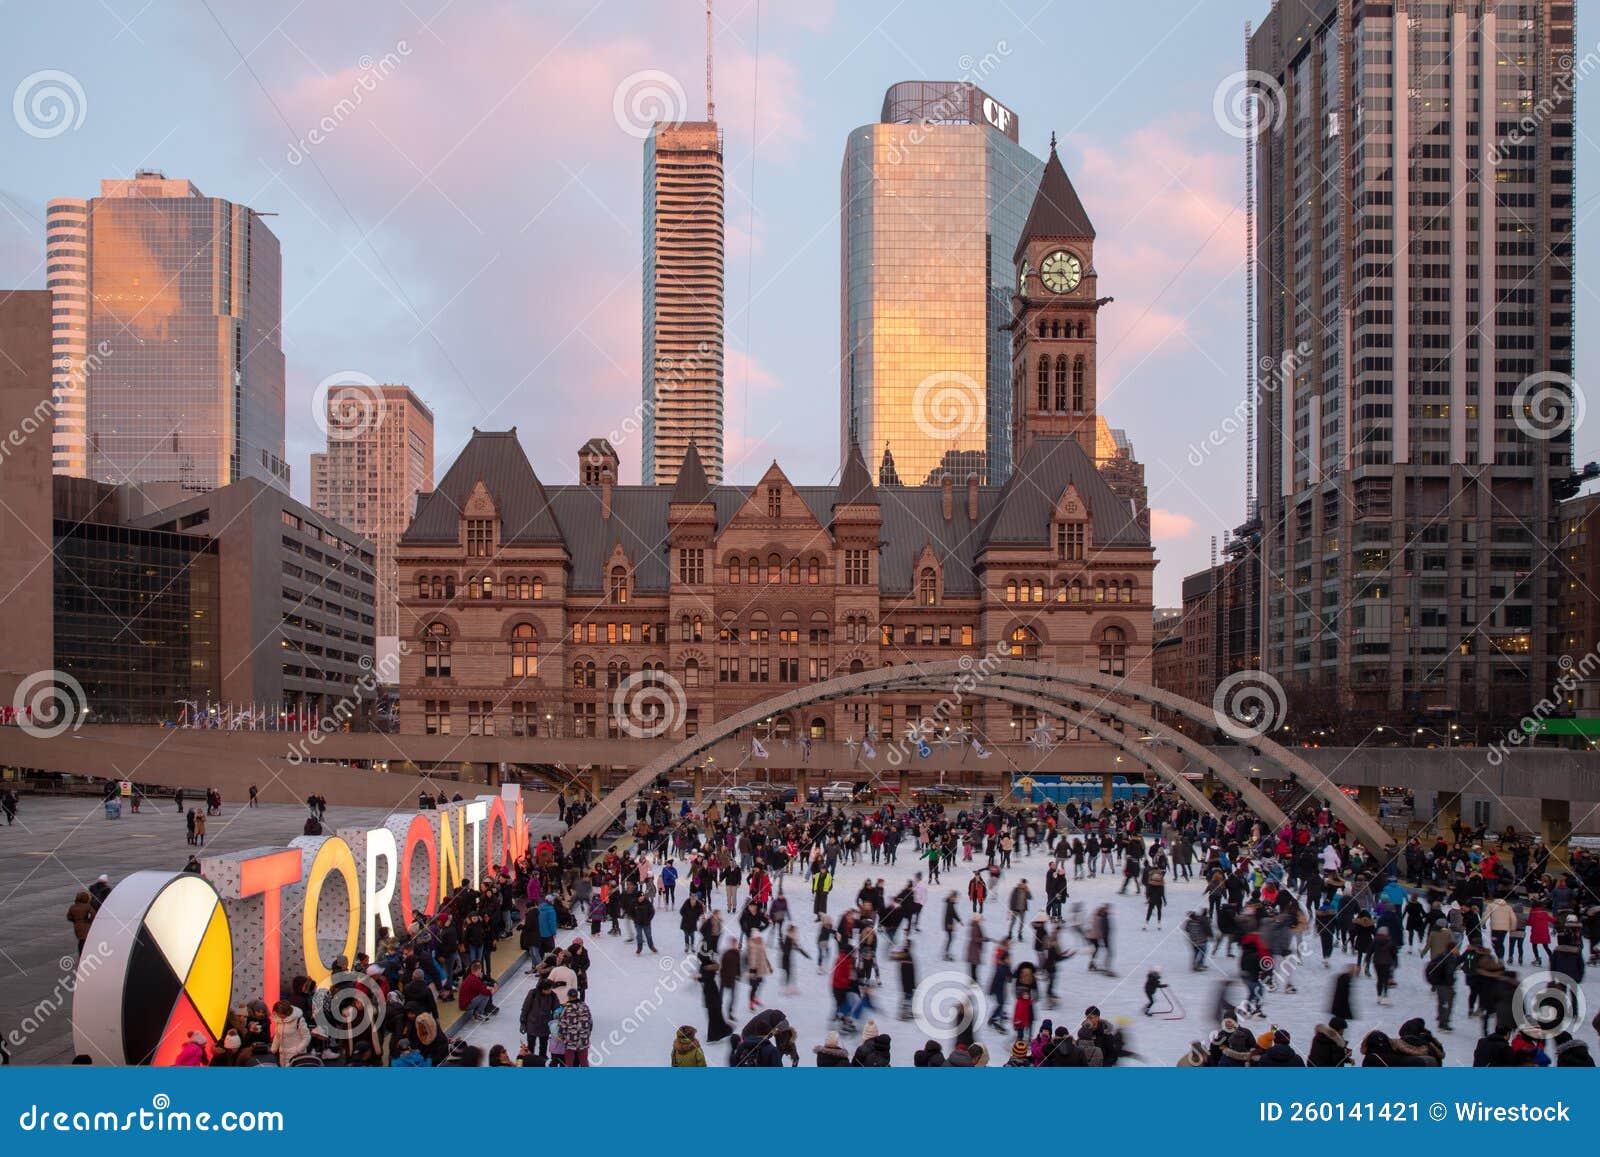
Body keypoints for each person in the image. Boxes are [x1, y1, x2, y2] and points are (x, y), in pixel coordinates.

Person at [66, 891, 94, 957]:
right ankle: (85, 955)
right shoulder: (88, 907)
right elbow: (93, 915)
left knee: (81, 940)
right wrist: (88, 920)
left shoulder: (73, 907)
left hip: (77, 926)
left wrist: (76, 921)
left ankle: (81, 955)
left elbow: (69, 917)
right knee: (85, 941)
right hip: (86, 926)